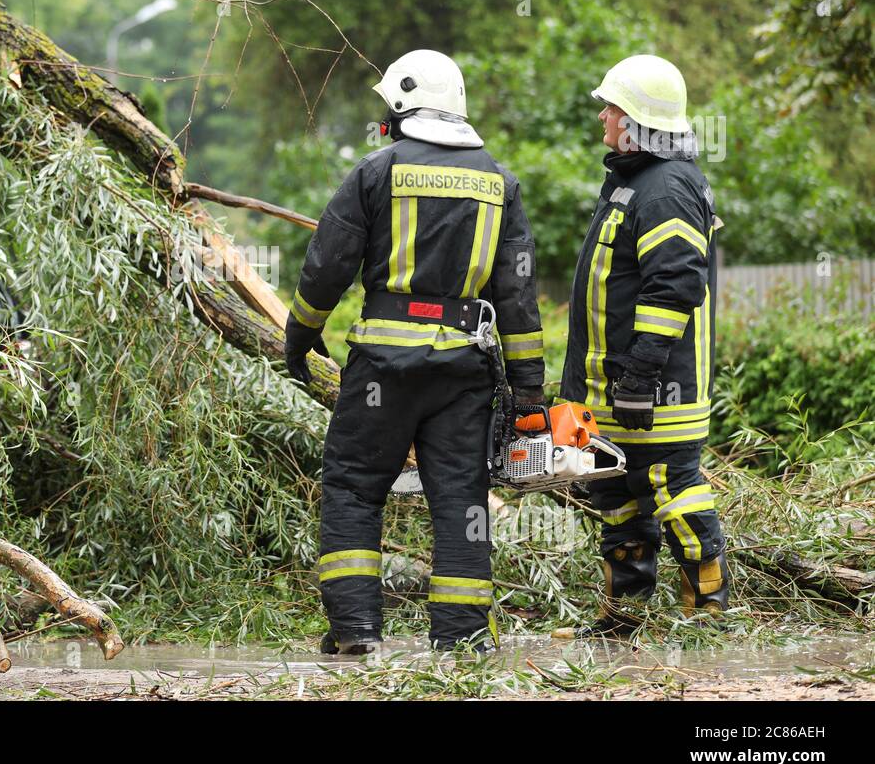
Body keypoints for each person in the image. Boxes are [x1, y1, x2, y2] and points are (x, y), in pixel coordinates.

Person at [284, 50, 545, 654]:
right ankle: (460, 639)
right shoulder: (498, 183)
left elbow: (327, 266)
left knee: (353, 488)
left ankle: (355, 634)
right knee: (459, 501)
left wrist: (300, 337)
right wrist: (529, 387)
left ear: (401, 105)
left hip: (383, 366)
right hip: (463, 370)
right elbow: (517, 292)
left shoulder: (377, 172)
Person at [559, 54, 730, 633]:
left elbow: (675, 286)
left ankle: (706, 616)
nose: (603, 119)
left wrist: (640, 376)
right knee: (620, 501)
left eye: (611, 108)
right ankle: (622, 619)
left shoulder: (666, 189)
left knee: (673, 492)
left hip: (658, 392)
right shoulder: (638, 182)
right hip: (619, 392)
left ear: (634, 121)